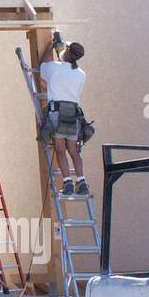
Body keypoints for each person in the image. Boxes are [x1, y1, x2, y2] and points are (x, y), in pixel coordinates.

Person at [39, 39, 89, 195]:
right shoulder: (81, 74)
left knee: (60, 149)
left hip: (57, 112)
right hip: (73, 113)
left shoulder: (54, 68)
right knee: (73, 150)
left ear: (66, 50)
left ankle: (67, 183)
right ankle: (82, 182)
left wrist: (49, 47)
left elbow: (43, 65)